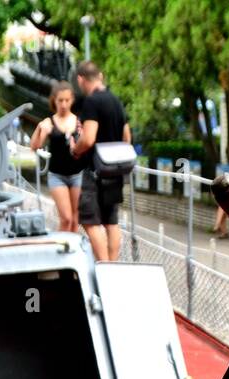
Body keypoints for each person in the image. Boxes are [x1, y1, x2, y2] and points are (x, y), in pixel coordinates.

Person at [71, 60, 131, 262]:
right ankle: (113, 266)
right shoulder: (116, 100)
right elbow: (127, 137)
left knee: (90, 220)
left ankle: (103, 265)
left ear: (81, 79)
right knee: (111, 222)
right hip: (115, 170)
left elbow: (88, 138)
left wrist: (75, 149)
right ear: (101, 76)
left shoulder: (92, 102)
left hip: (95, 171)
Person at [30, 81, 84, 233]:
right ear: (54, 100)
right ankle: (60, 247)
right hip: (57, 175)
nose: (64, 104)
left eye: (67, 100)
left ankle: (71, 252)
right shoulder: (50, 122)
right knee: (66, 218)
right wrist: (41, 129)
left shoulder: (79, 121)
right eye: (60, 100)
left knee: (75, 219)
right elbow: (35, 146)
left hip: (76, 175)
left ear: (72, 99)